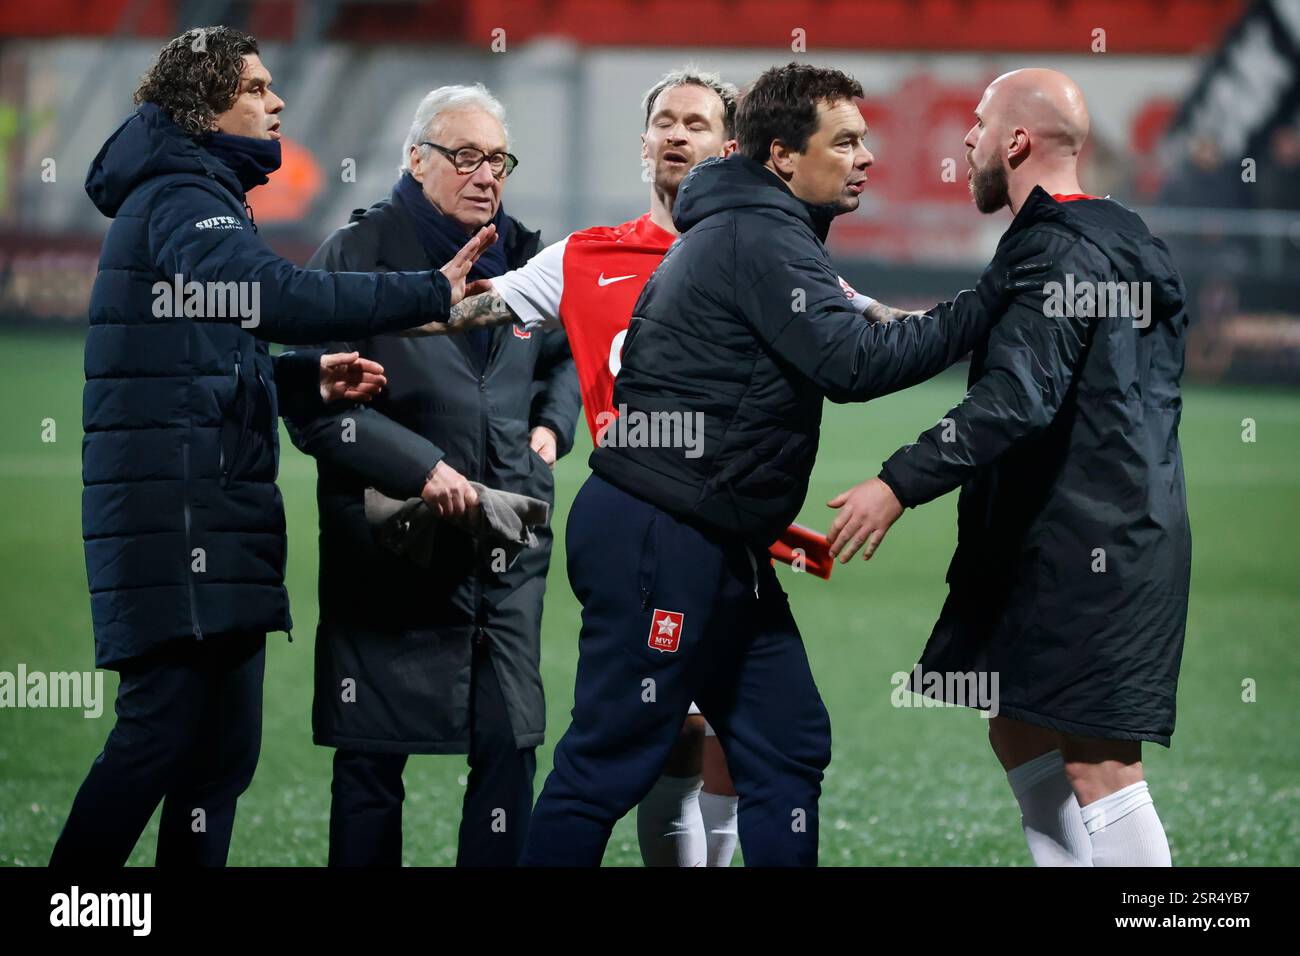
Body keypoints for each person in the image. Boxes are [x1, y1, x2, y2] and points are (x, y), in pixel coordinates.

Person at [514, 62, 1051, 867]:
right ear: (781, 156)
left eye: (864, 138)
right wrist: (994, 296)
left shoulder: (754, 228)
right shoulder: (757, 237)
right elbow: (856, 364)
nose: (867, 156)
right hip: (663, 535)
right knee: (608, 762)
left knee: (784, 742)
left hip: (712, 534)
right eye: (845, 141)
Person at [50, 27, 492, 867]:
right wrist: (422, 293)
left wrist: (300, 381)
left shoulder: (194, 190)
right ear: (204, 105)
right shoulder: (183, 192)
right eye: (256, 88)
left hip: (205, 513)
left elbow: (201, 357)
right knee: (160, 736)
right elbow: (267, 292)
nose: (276, 100)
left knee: (216, 756)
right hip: (178, 518)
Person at [428, 67, 873, 866]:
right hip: (648, 534)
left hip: (720, 536)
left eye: (696, 123)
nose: (675, 134)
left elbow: (871, 332)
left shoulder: (776, 255)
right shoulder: (584, 257)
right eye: (662, 121)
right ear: (642, 144)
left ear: (734, 147)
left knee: (760, 742)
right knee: (652, 753)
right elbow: (465, 307)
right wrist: (372, 300)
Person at [827, 69, 1190, 867]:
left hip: (1088, 543)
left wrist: (896, 483)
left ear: (1017, 141)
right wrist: (872, 316)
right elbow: (991, 318)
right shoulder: (1111, 234)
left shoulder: (1056, 250)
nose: (967, 138)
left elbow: (1014, 400)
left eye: (981, 122)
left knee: (1102, 764)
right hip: (1078, 530)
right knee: (1013, 719)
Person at [284, 84, 580, 867]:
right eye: (466, 157)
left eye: (498, 160)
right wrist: (423, 469)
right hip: (390, 551)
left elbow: (564, 357)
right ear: (416, 160)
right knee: (373, 759)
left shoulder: (528, 253)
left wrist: (553, 425)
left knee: (511, 745)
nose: (487, 175)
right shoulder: (356, 255)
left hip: (505, 545)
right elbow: (314, 409)